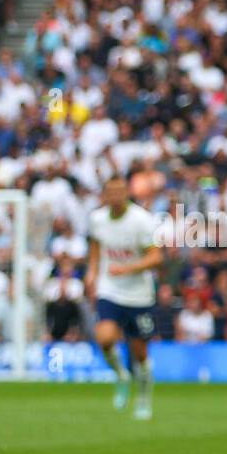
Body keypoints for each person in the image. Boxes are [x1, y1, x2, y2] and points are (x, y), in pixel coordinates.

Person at [86, 175, 162, 420]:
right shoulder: (97, 219)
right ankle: (120, 374)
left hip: (139, 295)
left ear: (127, 193)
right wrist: (91, 275)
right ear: (105, 194)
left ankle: (143, 396)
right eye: (111, 192)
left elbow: (156, 258)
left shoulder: (142, 220)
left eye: (120, 191)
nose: (116, 196)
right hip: (110, 289)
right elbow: (96, 249)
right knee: (105, 337)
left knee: (140, 353)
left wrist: (127, 268)